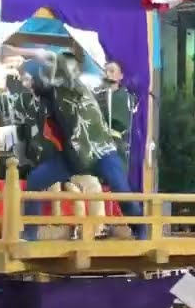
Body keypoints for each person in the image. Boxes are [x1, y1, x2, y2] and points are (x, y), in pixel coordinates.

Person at [21, 53, 143, 240]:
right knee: (35, 181)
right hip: (75, 155)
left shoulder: (76, 86)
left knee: (121, 189)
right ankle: (30, 233)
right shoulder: (51, 97)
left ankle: (141, 231)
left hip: (100, 150)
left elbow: (58, 65)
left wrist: (24, 51)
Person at [92, 60, 138, 162]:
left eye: (112, 71)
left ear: (121, 75)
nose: (108, 74)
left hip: (116, 145)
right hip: (96, 144)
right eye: (106, 71)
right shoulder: (95, 96)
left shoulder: (128, 98)